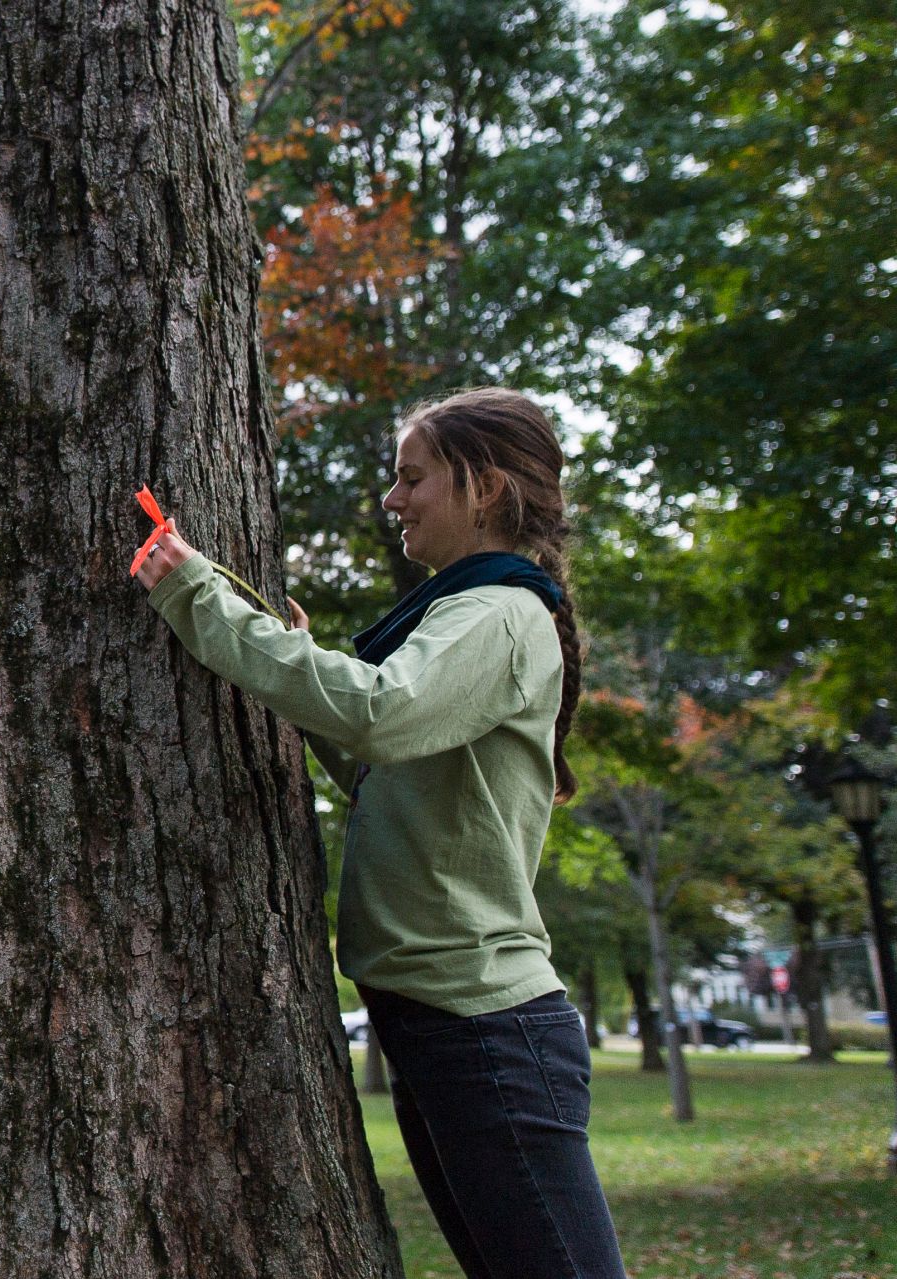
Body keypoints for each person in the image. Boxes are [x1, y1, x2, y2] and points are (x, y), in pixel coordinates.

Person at [133, 387, 624, 1278]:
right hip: (445, 1025)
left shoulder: (499, 615)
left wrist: (200, 598)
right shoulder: (462, 610)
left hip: (485, 1028)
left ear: (484, 487)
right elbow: (382, 759)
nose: (392, 500)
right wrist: (306, 664)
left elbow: (379, 716)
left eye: (412, 477)